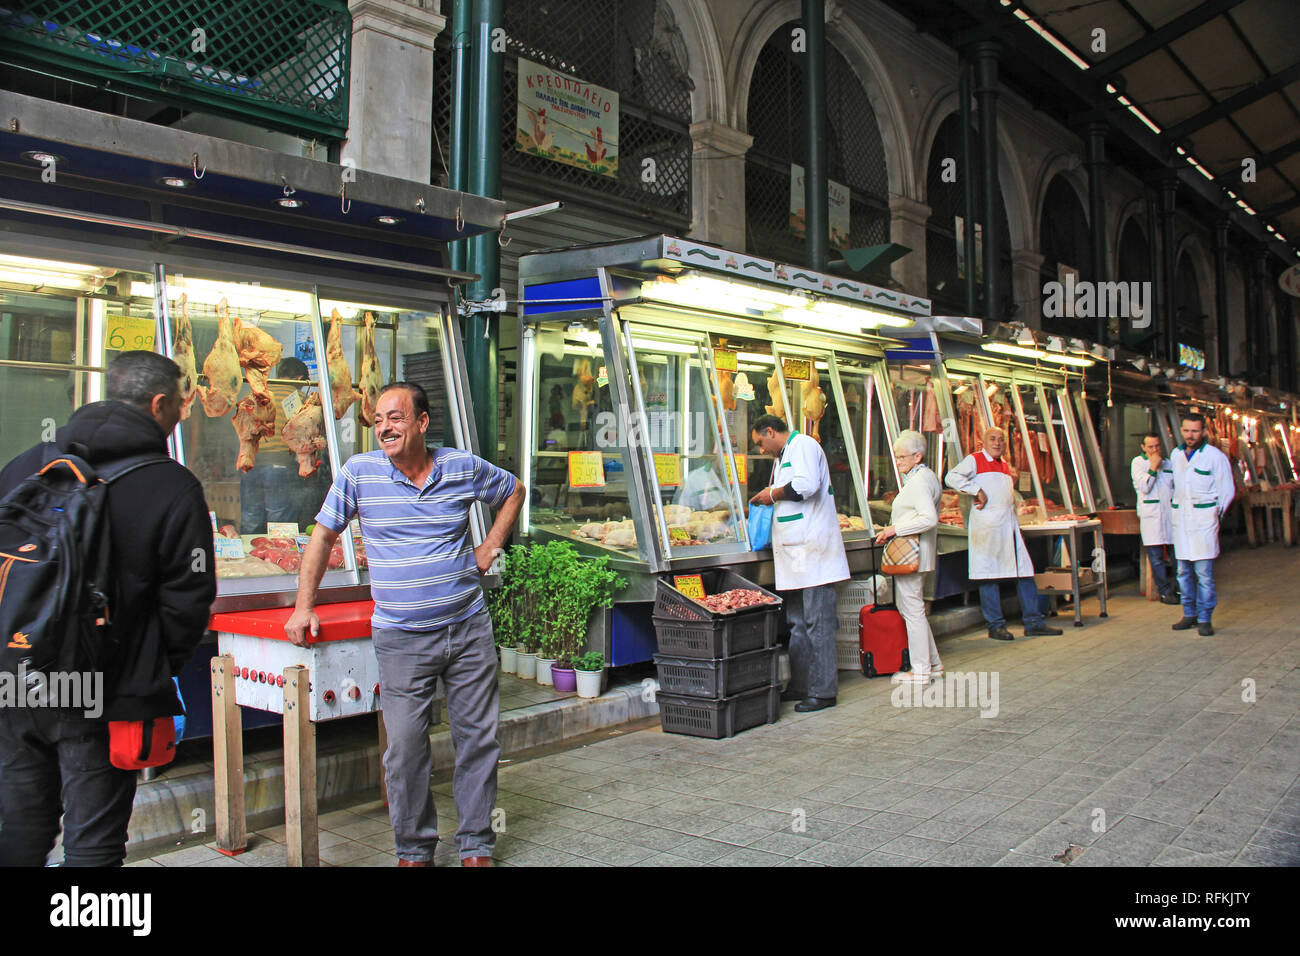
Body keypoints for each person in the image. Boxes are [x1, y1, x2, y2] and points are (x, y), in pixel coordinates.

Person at [286, 382, 526, 866]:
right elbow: (323, 535)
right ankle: (415, 849)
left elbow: (514, 490)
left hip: (467, 628)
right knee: (405, 749)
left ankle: (476, 844)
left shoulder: (461, 467)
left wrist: (490, 548)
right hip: (400, 636)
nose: (384, 427)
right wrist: (303, 605)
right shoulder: (359, 473)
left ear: (421, 422)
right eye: (377, 420)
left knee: (477, 738)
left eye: (395, 417)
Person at [0, 351, 216, 866]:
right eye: (181, 405)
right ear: (159, 404)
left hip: (13, 679)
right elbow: (188, 603)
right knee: (93, 840)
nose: (183, 414)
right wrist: (145, 675)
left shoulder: (30, 463)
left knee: (21, 825)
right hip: (101, 689)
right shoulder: (173, 484)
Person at [748, 414, 849, 713]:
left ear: (770, 431)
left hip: (813, 552)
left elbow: (806, 486)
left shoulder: (803, 445)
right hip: (798, 555)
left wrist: (772, 494)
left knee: (818, 624)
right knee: (797, 624)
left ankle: (823, 691)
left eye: (760, 443)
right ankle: (802, 685)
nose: (761, 450)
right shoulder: (784, 456)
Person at [945, 426, 1062, 640]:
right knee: (989, 576)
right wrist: (975, 490)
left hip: (1009, 528)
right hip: (988, 529)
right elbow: (951, 477)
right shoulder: (975, 459)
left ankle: (1033, 622)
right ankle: (995, 625)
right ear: (983, 441)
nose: (997, 443)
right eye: (993, 438)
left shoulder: (1005, 464)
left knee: (1025, 572)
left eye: (1001, 439)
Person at [874, 431, 943, 685]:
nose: (898, 460)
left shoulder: (919, 482)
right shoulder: (927, 477)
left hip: (912, 555)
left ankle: (921, 670)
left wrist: (894, 529)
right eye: (896, 455)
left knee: (912, 611)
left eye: (902, 456)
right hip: (920, 554)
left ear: (918, 456)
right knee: (914, 609)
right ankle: (933, 665)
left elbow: (928, 518)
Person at [1169, 413, 1235, 636]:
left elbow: (1227, 490)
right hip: (1182, 523)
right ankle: (1189, 614)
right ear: (1181, 430)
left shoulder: (1214, 457)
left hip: (1203, 522)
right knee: (1183, 572)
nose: (1190, 435)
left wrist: (1215, 515)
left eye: (1195, 431)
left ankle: (1205, 617)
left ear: (1204, 432)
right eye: (1186, 430)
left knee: (1204, 574)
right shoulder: (1176, 455)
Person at [1131, 432, 1180, 605]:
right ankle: (1165, 591)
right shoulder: (1138, 463)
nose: (1154, 449)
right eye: (1150, 446)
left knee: (1177, 554)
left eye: (1157, 446)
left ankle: (1179, 588)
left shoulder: (1169, 463)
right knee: (1156, 556)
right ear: (1143, 447)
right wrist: (1152, 467)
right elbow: (1144, 486)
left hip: (1170, 515)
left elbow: (1176, 487)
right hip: (1151, 517)